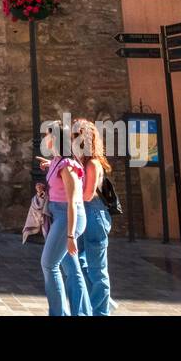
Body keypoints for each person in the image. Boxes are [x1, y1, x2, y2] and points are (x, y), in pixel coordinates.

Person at [39, 123, 90, 317]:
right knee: (71, 268)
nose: (45, 140)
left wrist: (70, 235)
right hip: (60, 215)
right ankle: (83, 312)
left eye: (47, 136)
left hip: (67, 218)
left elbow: (73, 201)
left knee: (49, 264)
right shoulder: (57, 162)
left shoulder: (67, 166)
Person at [76, 118, 113, 316]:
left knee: (97, 269)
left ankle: (101, 312)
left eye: (75, 135)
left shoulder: (92, 164)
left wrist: (68, 199)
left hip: (93, 214)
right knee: (80, 262)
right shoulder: (80, 162)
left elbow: (88, 194)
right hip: (83, 213)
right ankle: (93, 305)